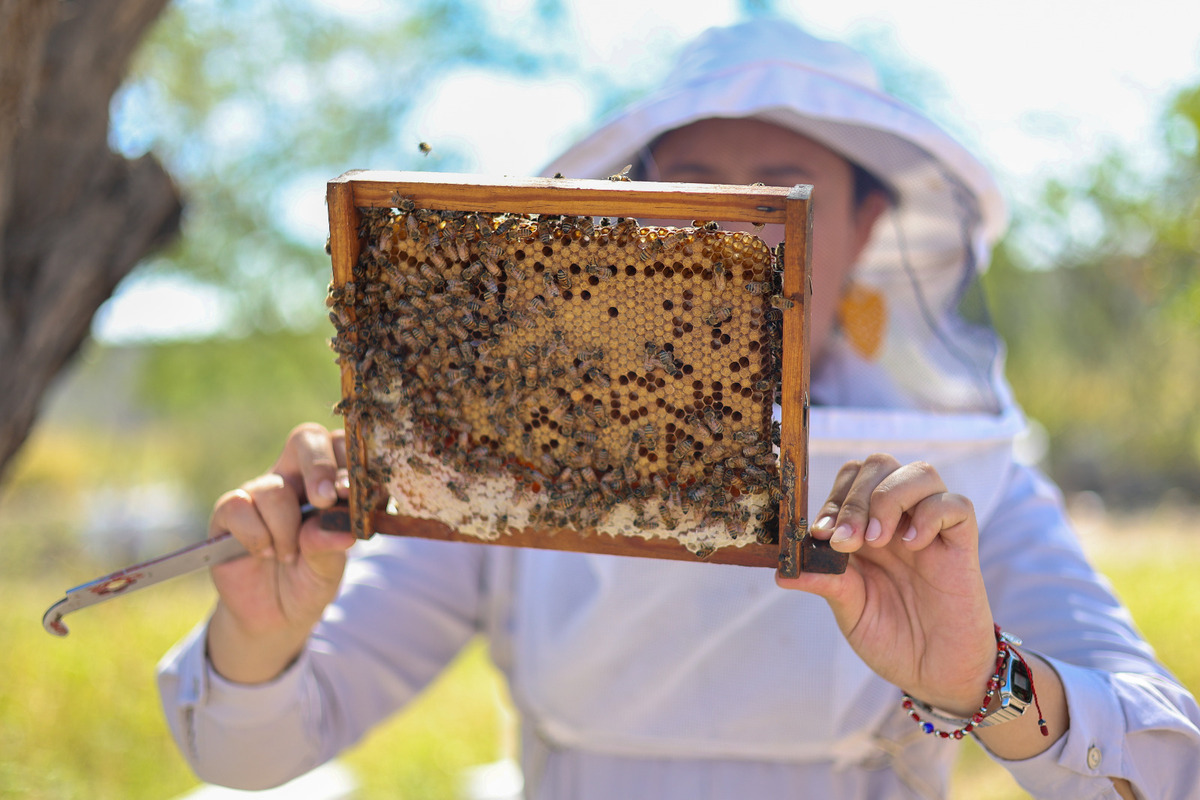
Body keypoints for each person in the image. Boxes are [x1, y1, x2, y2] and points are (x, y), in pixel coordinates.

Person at [158, 19, 1200, 799]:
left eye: (779, 199)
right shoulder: (509, 459)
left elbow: (1167, 766)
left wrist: (987, 678)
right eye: (695, 198)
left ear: (867, 219)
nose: (734, 249)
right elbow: (251, 748)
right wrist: (264, 631)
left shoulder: (957, 477)